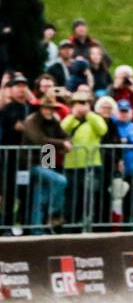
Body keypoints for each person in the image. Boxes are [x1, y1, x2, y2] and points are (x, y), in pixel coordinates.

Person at [22, 93, 70, 231]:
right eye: (46, 108)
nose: (49, 111)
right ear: (41, 108)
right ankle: (53, 212)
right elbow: (40, 140)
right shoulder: (32, 120)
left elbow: (66, 136)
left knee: (41, 196)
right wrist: (62, 144)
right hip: (31, 163)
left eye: (52, 108)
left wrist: (66, 142)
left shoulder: (54, 121)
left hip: (47, 161)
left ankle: (36, 229)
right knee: (61, 181)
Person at [60, 89, 107, 228]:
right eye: (77, 103)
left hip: (92, 164)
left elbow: (102, 130)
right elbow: (61, 130)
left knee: (91, 196)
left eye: (84, 103)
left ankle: (88, 224)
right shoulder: (69, 119)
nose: (81, 106)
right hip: (72, 165)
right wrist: (72, 116)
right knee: (73, 197)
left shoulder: (95, 118)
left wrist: (89, 114)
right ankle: (71, 224)